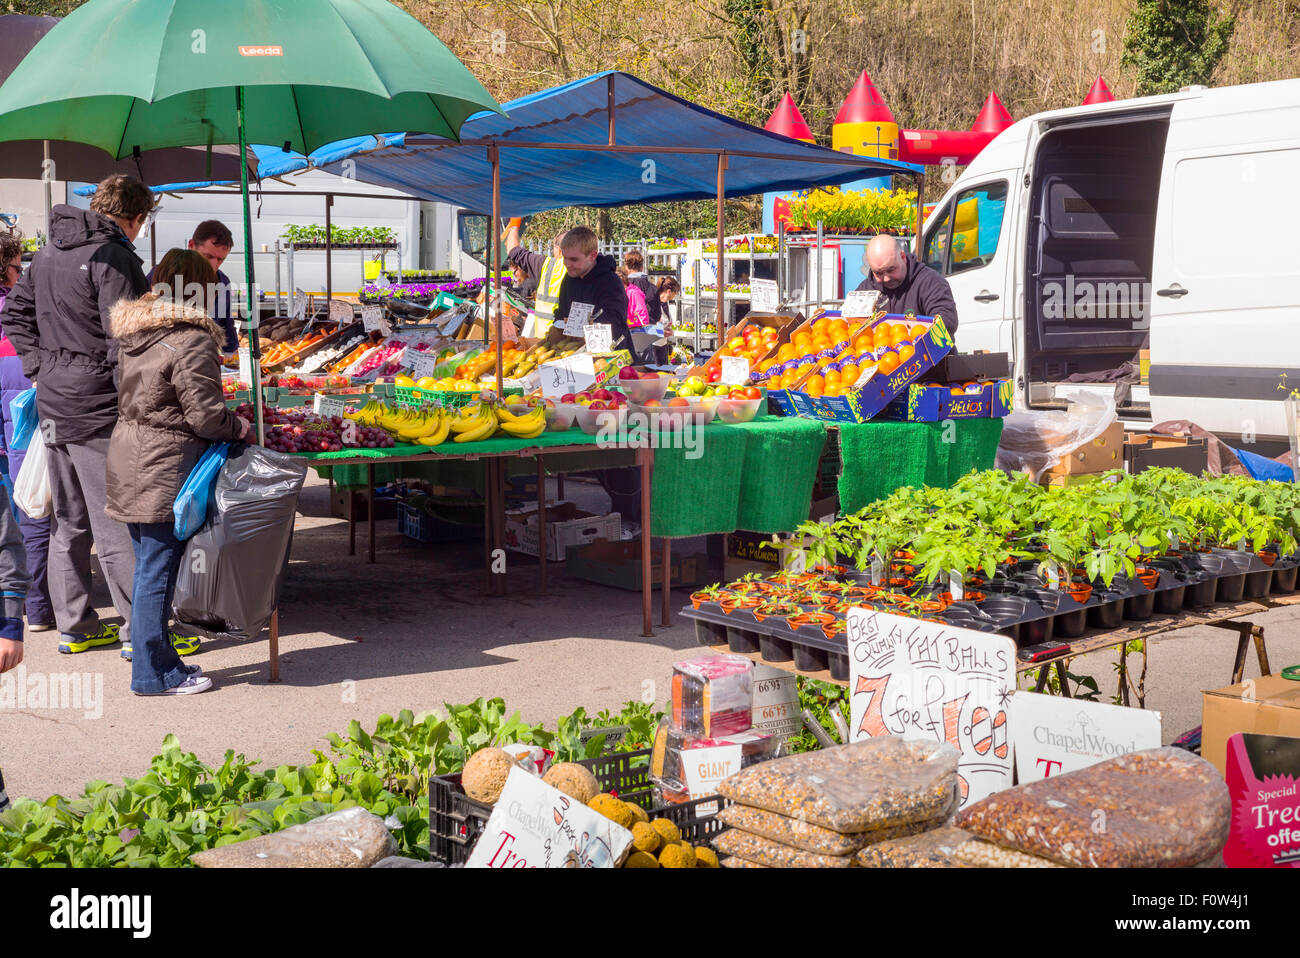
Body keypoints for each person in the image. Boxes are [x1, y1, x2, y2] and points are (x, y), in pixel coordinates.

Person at [1, 173, 152, 657]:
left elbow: (14, 314)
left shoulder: (46, 254)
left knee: (69, 518)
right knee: (115, 521)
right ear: (134, 218)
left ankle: (76, 626)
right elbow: (127, 339)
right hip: (98, 405)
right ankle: (140, 632)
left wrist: (42, 366)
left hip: (56, 402)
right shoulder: (114, 257)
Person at [106, 249, 250, 696]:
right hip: (163, 464)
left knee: (148, 566)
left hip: (131, 453)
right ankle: (152, 674)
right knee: (157, 570)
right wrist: (240, 425)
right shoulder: (190, 338)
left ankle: (162, 661)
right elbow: (205, 416)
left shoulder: (137, 332)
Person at [0, 233, 53, 633]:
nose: (21, 275)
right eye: (18, 267)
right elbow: (21, 375)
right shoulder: (13, 310)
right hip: (17, 425)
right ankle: (33, 608)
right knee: (30, 512)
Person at [149, 220, 237, 356]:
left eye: (220, 259)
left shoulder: (222, 282)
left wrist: (233, 357)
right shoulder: (164, 275)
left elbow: (227, 326)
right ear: (191, 245)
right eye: (208, 256)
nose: (214, 265)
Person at [553, 227, 635, 359]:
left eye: (574, 259)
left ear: (592, 256)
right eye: (565, 258)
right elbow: (562, 312)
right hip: (576, 356)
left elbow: (613, 323)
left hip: (611, 359)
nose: (567, 264)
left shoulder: (610, 283)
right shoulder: (569, 279)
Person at [855, 234, 959, 336]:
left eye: (891, 269)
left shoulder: (930, 282)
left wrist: (917, 336)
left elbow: (946, 321)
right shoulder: (865, 290)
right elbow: (850, 326)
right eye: (878, 273)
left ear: (903, 257)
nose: (886, 278)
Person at [505, 223, 564, 337]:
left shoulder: (548, 265)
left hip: (545, 337)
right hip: (569, 341)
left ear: (559, 250)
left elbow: (513, 250)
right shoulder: (586, 267)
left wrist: (514, 223)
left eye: (554, 248)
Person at [623, 250, 661, 324]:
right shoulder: (653, 288)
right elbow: (658, 315)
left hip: (629, 328)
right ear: (642, 267)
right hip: (649, 330)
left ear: (626, 267)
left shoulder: (623, 286)